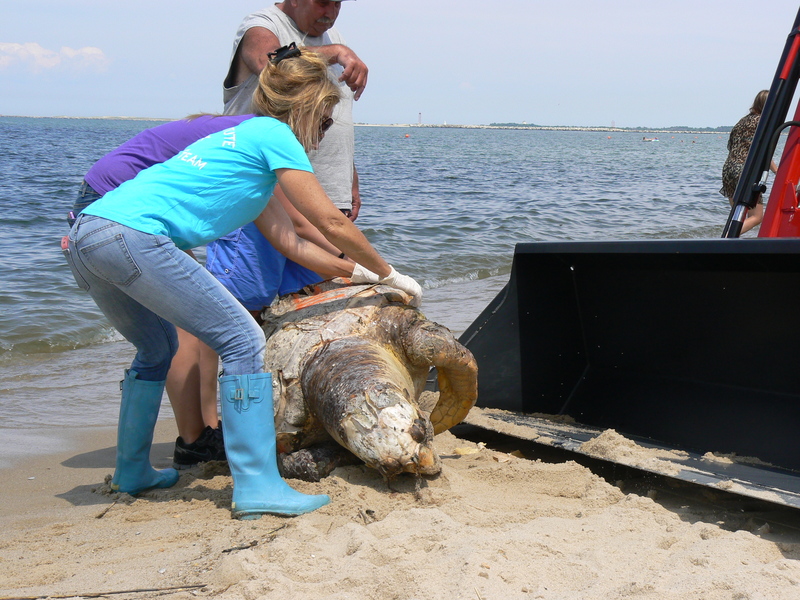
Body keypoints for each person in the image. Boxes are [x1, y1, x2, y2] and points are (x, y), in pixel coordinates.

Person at [63, 47, 422, 519]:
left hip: (87, 235)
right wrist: (389, 272)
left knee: (156, 349)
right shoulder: (275, 134)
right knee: (242, 338)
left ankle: (132, 470)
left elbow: (290, 241)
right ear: (308, 108)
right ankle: (256, 485)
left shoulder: (241, 141)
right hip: (131, 237)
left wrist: (357, 273)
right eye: (327, 121)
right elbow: (331, 224)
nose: (324, 134)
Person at [67, 114, 352, 470]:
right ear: (300, 114)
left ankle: (181, 444)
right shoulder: (265, 137)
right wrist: (357, 260)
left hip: (97, 214)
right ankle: (199, 441)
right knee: (195, 326)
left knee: (168, 337)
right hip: (116, 204)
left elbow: (287, 230)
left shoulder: (243, 128)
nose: (318, 142)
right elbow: (296, 224)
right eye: (321, 127)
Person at [720, 89, 779, 234]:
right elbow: (764, 152)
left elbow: (731, 146)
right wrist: (778, 172)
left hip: (729, 169)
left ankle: (726, 246)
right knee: (756, 216)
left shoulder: (742, 121)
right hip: (745, 171)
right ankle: (725, 239)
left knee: (736, 215)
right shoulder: (763, 122)